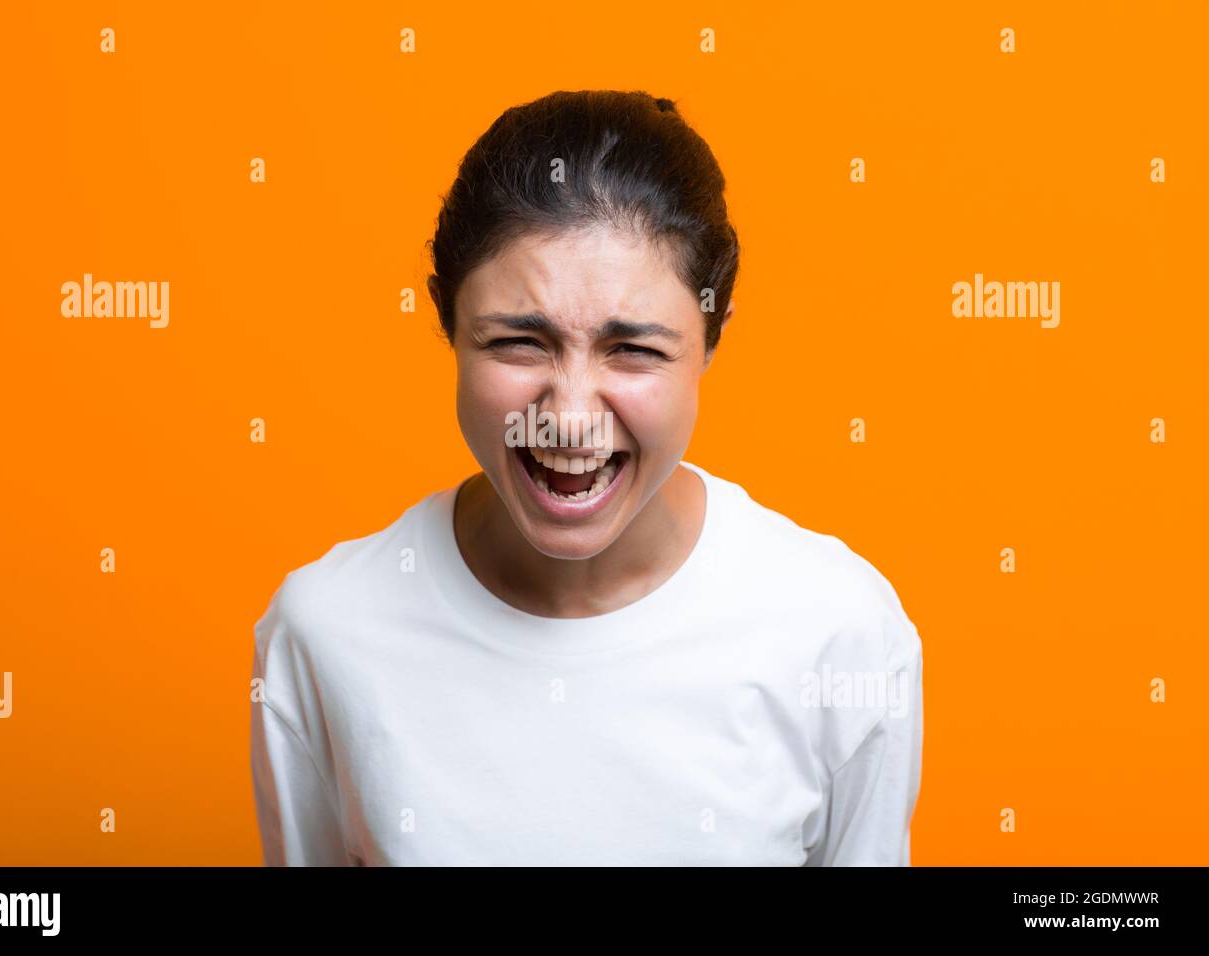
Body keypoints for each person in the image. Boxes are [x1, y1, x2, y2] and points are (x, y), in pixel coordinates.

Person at [250, 89, 923, 866]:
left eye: (633, 350)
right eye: (518, 343)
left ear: (709, 342)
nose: (568, 418)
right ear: (448, 323)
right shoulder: (326, 629)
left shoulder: (840, 634)